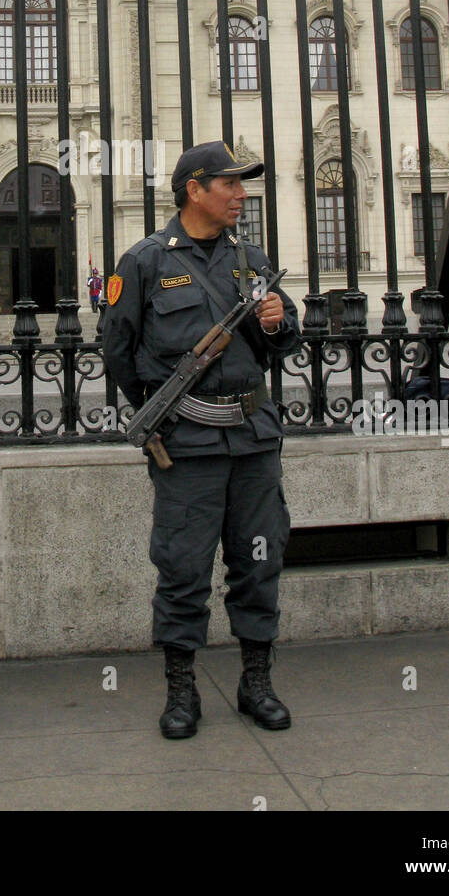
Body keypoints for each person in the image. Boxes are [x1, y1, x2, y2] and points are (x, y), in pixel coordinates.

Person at [101, 141, 301, 740]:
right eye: (231, 184)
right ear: (195, 189)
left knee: (258, 559)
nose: (242, 194)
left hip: (253, 440)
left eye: (243, 185)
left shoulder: (253, 259)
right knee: (184, 568)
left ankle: (256, 681)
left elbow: (283, 338)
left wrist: (278, 323)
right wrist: (164, 412)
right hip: (187, 446)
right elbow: (119, 353)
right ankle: (182, 689)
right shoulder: (144, 263)